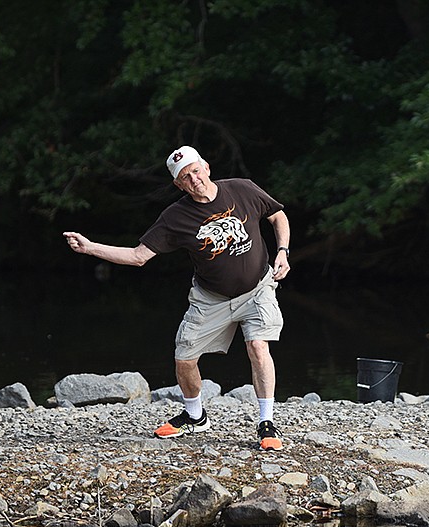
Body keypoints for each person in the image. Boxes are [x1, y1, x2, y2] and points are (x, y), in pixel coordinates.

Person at [63, 145, 291, 450]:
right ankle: (196, 416)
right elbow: (138, 256)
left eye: (196, 171)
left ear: (206, 167)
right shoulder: (176, 217)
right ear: (179, 184)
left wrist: (283, 252)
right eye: (186, 177)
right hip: (211, 298)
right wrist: (90, 247)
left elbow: (277, 216)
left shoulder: (242, 189)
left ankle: (266, 423)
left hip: (257, 289)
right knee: (184, 359)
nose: (194, 179)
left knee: (258, 345)